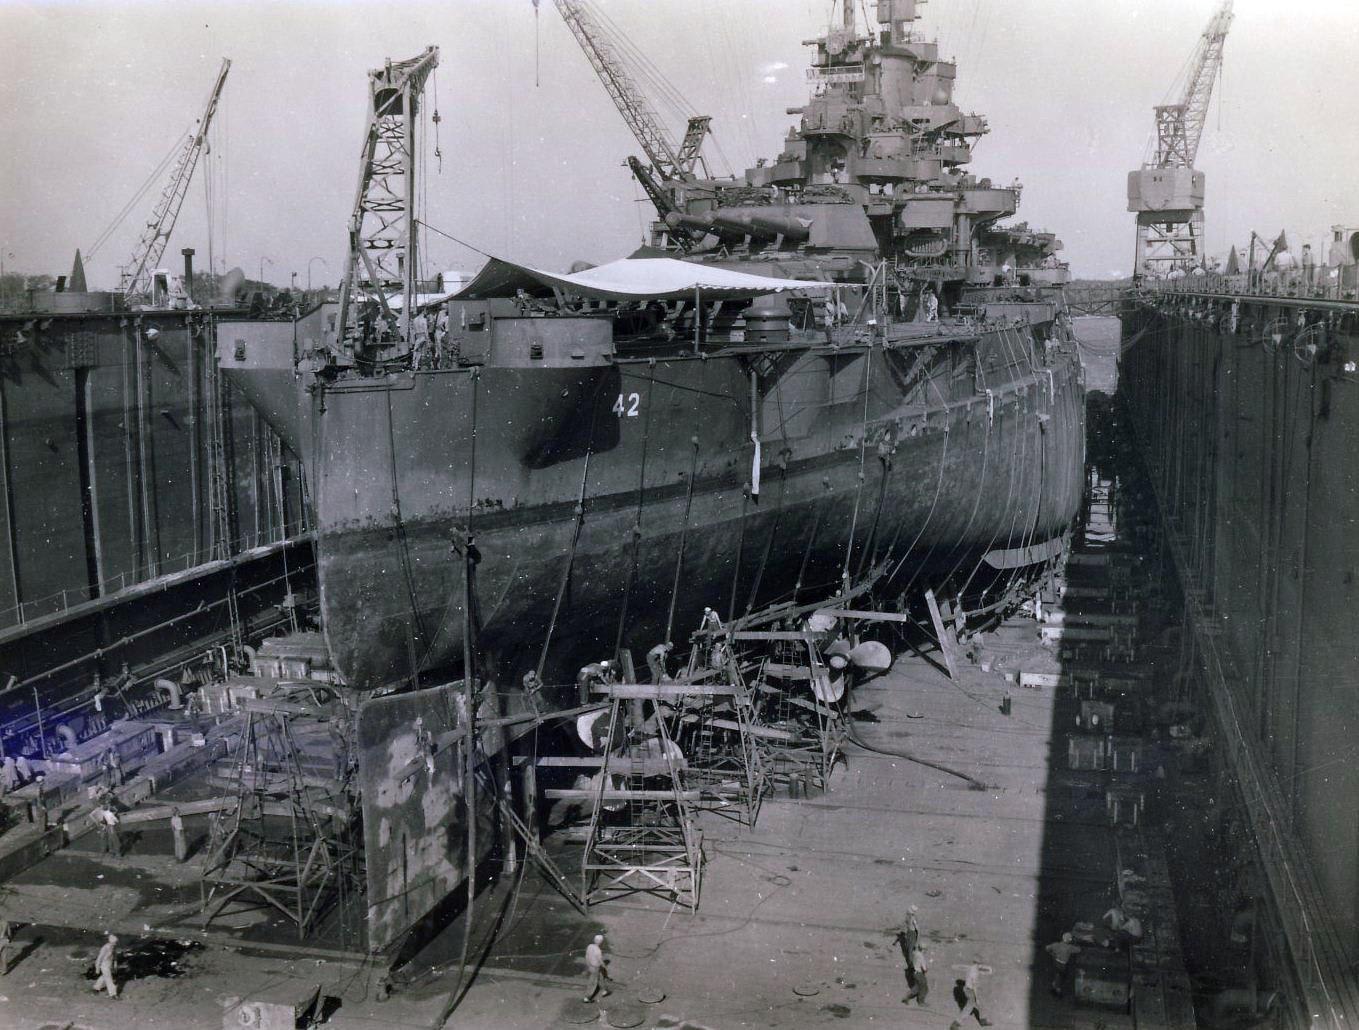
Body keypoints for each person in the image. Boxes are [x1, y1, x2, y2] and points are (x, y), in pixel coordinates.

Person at [1045, 932, 1081, 997]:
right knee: (1060, 976)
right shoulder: (1069, 947)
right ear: (1069, 940)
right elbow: (1079, 950)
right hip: (1063, 964)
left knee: (1057, 974)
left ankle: (1055, 985)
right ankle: (1057, 990)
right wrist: (1076, 943)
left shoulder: (1056, 944)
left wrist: (1052, 953)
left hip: (1055, 962)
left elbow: (1047, 948)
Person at [582, 933, 612, 1002]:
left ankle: (605, 990)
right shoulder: (598, 951)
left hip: (590, 965)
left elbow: (587, 956)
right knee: (593, 982)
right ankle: (587, 997)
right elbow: (600, 961)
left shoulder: (589, 946)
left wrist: (588, 964)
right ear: (600, 942)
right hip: (595, 968)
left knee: (600, 978)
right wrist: (605, 967)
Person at [92, 933, 119, 999]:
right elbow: (99, 958)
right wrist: (97, 968)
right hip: (104, 965)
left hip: (109, 965)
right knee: (109, 979)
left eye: (116, 942)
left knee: (104, 977)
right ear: (111, 942)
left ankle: (96, 988)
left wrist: (115, 965)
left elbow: (115, 956)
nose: (115, 944)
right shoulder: (105, 948)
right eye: (114, 942)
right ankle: (113, 994)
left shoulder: (113, 947)